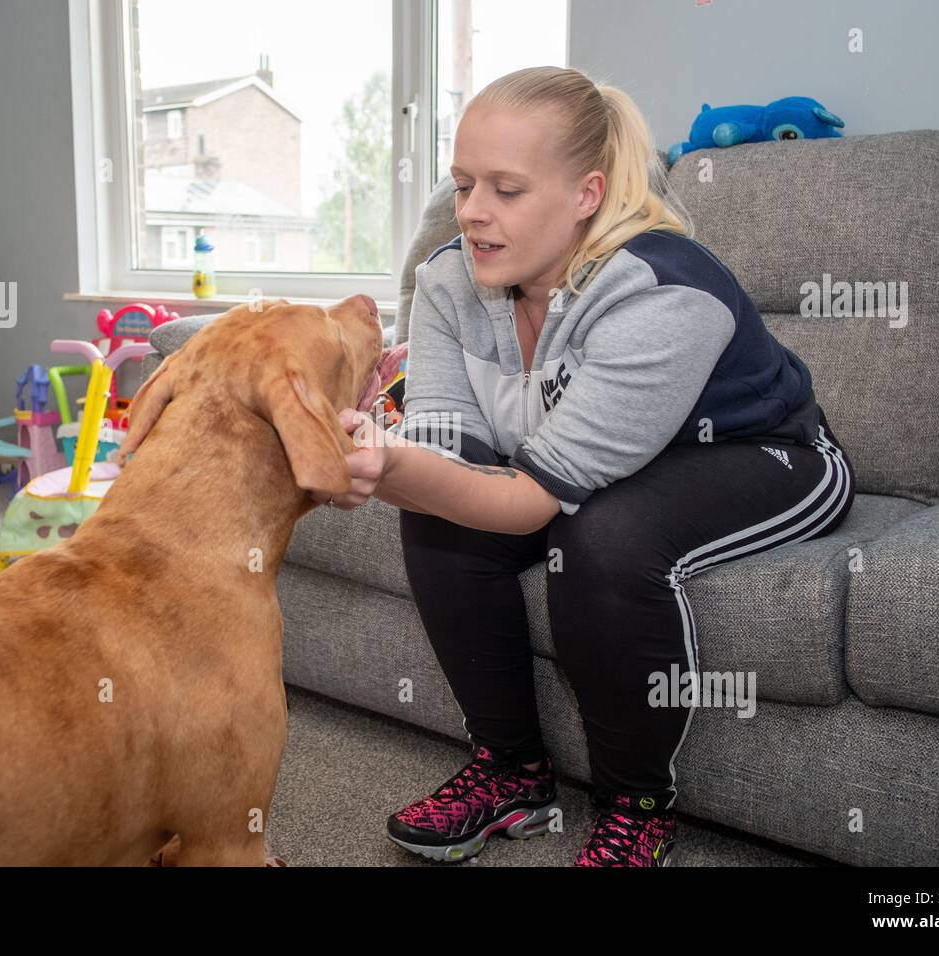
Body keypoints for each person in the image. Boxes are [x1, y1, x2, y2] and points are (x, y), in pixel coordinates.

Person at [326, 66, 856, 867]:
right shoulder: (445, 281)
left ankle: (637, 805)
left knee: (604, 536)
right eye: (464, 183)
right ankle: (512, 772)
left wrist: (385, 466)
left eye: (506, 189)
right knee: (438, 511)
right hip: (588, 459)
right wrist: (387, 456)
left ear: (586, 194)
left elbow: (532, 501)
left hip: (760, 453)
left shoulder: (663, 293)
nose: (472, 211)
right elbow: (446, 447)